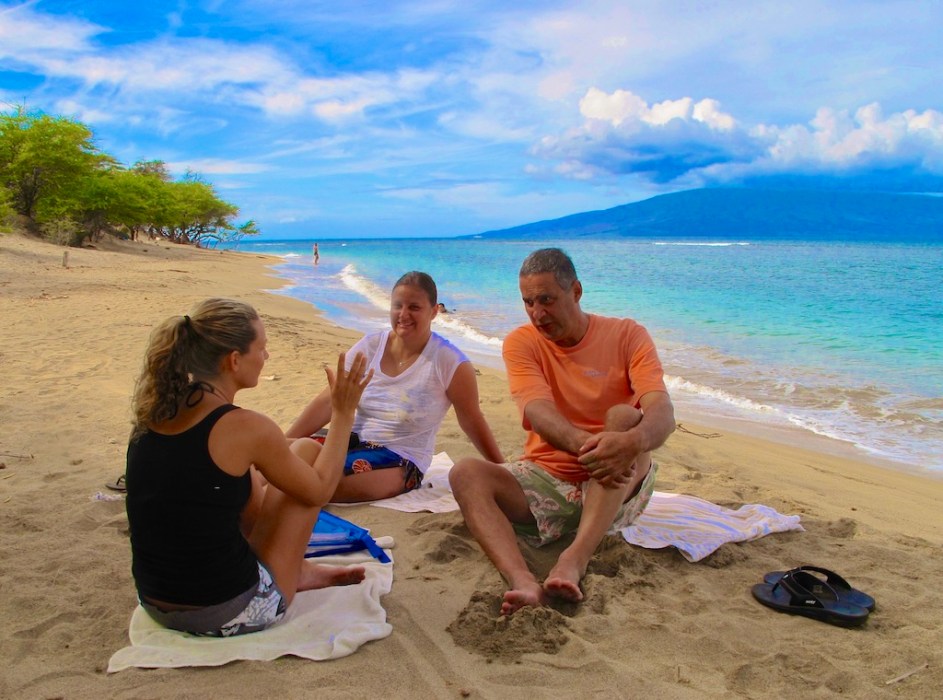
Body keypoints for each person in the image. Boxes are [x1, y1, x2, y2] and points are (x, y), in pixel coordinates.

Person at [125, 298, 373, 637]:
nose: (265, 357)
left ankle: (297, 570)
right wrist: (343, 413)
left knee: (293, 452)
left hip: (157, 603)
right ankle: (292, 576)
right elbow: (321, 490)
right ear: (234, 360)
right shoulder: (246, 428)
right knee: (307, 462)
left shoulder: (155, 411)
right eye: (262, 348)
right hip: (226, 611)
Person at [449, 248, 675, 615]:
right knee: (464, 473)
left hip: (618, 482)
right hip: (549, 478)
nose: (537, 313)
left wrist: (627, 443)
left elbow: (662, 413)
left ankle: (575, 557)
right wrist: (592, 449)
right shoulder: (522, 342)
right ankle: (522, 581)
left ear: (577, 291)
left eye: (547, 300)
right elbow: (538, 412)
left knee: (624, 417)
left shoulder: (627, 334)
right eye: (528, 302)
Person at [288, 271, 503, 502]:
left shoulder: (449, 362)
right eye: (397, 306)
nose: (403, 315)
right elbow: (331, 399)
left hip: (399, 457)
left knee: (325, 482)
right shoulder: (370, 346)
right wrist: (285, 439)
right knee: (289, 455)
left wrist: (502, 468)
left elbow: (471, 419)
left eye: (414, 307)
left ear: (434, 312)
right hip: (349, 439)